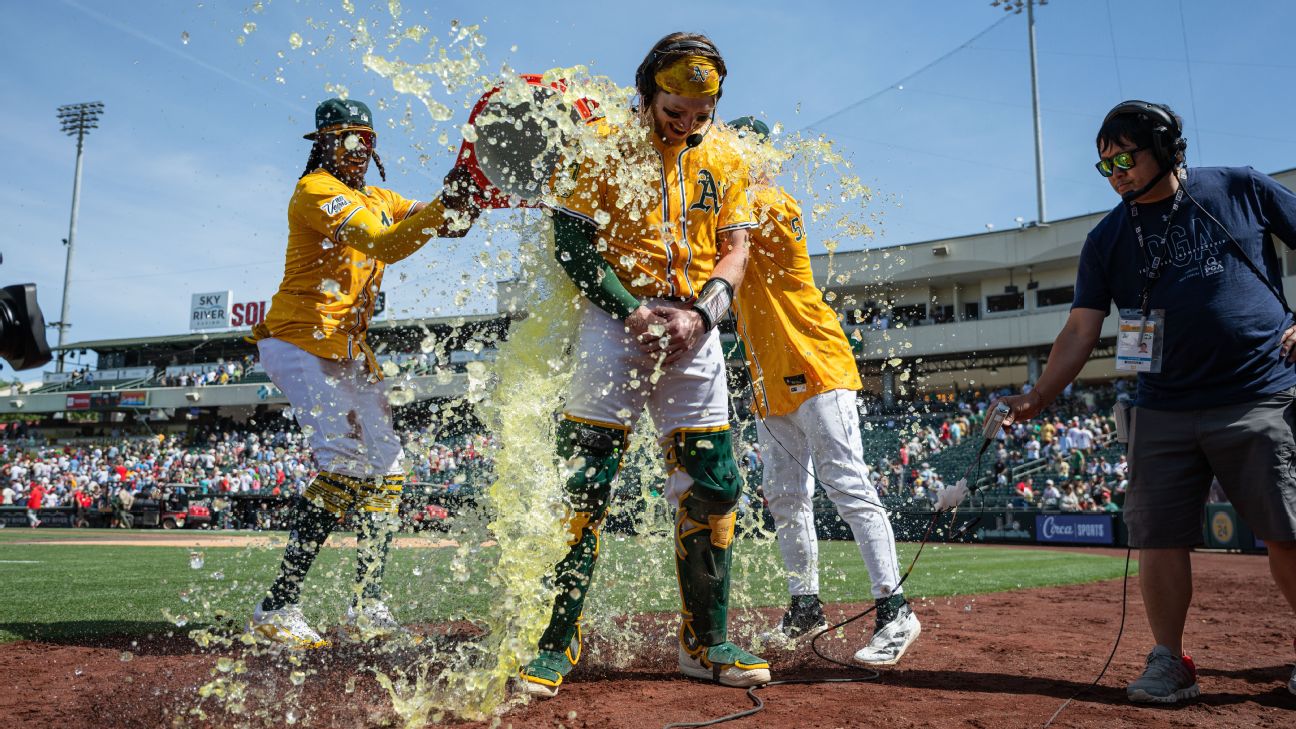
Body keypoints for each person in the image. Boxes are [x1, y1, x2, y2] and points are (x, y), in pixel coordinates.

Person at [991, 100, 1296, 702]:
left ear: (1167, 147)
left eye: (1125, 158)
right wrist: (1039, 395)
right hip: (1160, 405)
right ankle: (1169, 659)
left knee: (1287, 532)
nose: (1117, 174)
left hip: (1257, 392)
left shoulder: (1239, 188)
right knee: (1157, 538)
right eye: (1105, 165)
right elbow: (1081, 328)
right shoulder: (1107, 237)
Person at [518, 33, 770, 697]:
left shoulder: (728, 154)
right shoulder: (598, 141)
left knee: (714, 483)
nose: (687, 124)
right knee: (586, 480)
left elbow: (735, 249)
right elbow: (571, 245)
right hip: (614, 323)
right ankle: (556, 641)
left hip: (695, 327)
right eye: (674, 111)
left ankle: (706, 641)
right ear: (646, 93)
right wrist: (630, 310)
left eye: (701, 112)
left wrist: (700, 316)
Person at [246, 98, 481, 649]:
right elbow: (384, 243)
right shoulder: (315, 192)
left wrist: (468, 193)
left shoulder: (376, 196)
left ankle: (368, 606)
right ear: (323, 144)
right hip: (301, 338)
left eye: (366, 141)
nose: (358, 151)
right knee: (346, 462)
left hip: (344, 347)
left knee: (388, 467)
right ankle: (276, 607)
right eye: (348, 140)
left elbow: (446, 225)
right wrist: (441, 207)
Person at [725, 116, 918, 664]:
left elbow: (720, 230)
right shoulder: (735, 205)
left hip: (815, 364)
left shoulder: (770, 200)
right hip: (770, 380)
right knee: (786, 498)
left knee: (845, 483)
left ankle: (895, 610)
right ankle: (805, 607)